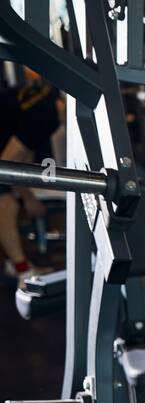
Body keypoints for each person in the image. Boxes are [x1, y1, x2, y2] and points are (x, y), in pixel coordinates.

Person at [0, 73, 61, 285]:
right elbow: (6, 166)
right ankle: (23, 273)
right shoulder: (46, 114)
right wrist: (28, 198)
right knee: (5, 203)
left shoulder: (48, 100)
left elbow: (22, 146)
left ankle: (11, 261)